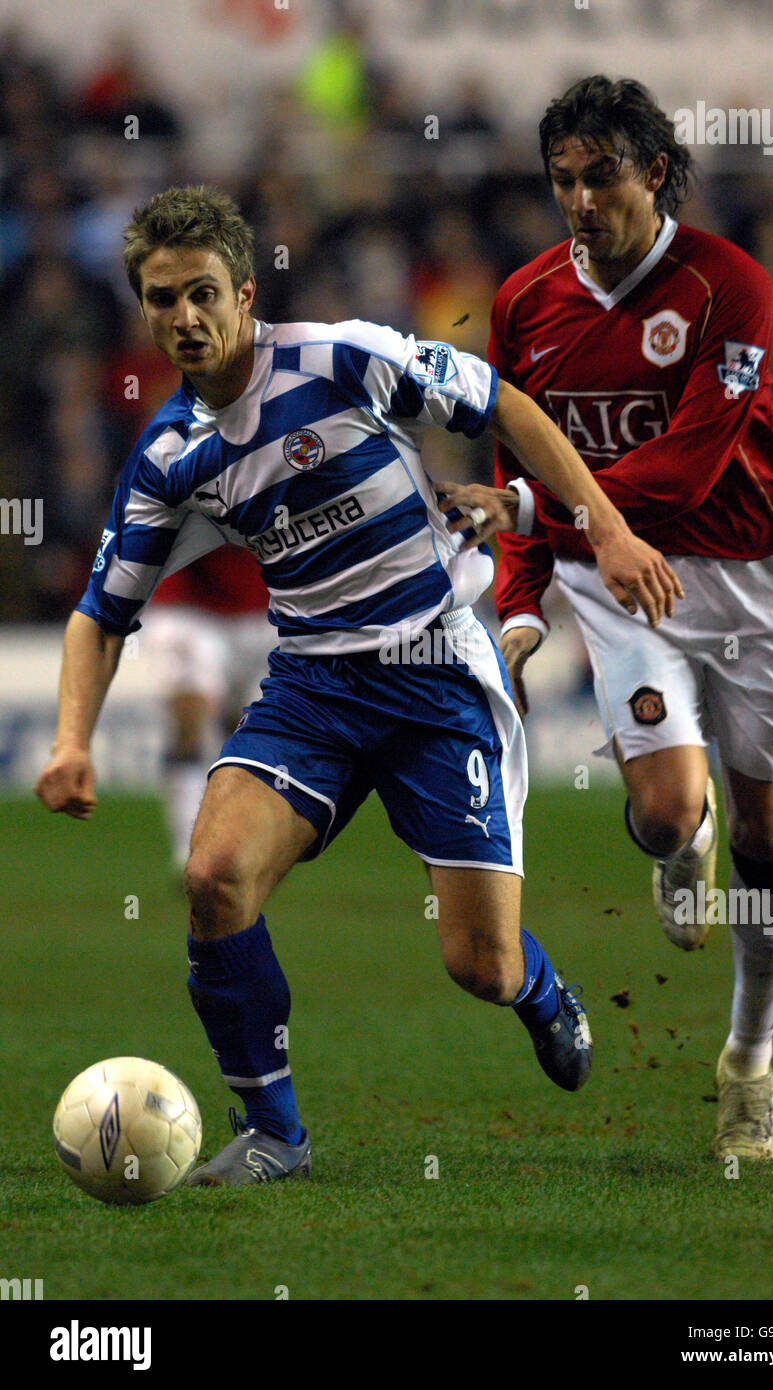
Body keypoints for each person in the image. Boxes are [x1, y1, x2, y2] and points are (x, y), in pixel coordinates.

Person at [34, 184, 680, 1187]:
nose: (184, 317)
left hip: (435, 675)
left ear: (246, 294)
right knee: (212, 876)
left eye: (201, 293)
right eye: (162, 300)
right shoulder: (169, 458)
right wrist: (72, 739)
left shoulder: (343, 357)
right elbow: (99, 613)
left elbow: (499, 401)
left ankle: (542, 991)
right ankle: (273, 1132)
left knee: (479, 965)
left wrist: (601, 522)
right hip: (313, 689)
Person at [473, 77, 773, 1160]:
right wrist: (518, 602)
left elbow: (691, 462)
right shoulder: (523, 302)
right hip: (617, 565)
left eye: (601, 175)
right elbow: (515, 455)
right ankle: (670, 838)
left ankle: (747, 1056)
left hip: (748, 570)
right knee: (659, 810)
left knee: (767, 837)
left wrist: (553, 513)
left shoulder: (725, 283)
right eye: (562, 180)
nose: (580, 199)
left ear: (653, 174)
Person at [144, 548, 273, 874]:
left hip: (260, 605)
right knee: (190, 721)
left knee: (242, 731)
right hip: (187, 607)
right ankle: (189, 849)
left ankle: (234, 839)